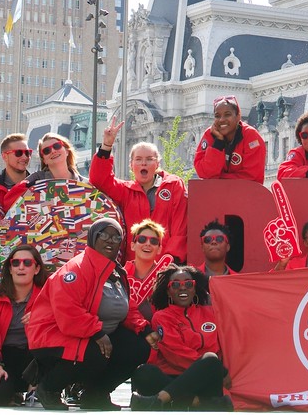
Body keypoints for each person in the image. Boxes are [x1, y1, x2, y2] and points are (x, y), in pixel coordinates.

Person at [25, 216, 151, 411]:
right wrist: (97, 332)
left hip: (90, 333)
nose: (110, 240)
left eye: (116, 237)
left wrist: (143, 329)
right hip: (53, 333)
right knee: (96, 352)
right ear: (93, 238)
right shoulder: (77, 268)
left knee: (137, 348)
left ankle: (95, 393)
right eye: (104, 235)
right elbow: (67, 310)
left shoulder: (117, 272)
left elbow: (127, 306)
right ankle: (49, 388)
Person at [131, 267, 229, 410]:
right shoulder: (161, 317)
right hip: (172, 377)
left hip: (206, 378)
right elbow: (175, 354)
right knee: (144, 372)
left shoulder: (212, 313)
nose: (182, 288)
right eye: (175, 285)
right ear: (168, 290)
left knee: (211, 359)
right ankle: (197, 402)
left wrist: (215, 368)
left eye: (188, 284)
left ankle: (159, 400)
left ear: (195, 288)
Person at [93, 117, 190, 261]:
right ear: (131, 165)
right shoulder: (126, 191)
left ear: (157, 163)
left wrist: (169, 261)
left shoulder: (173, 185)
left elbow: (180, 228)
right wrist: (106, 146)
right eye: (138, 159)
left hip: (166, 264)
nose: (143, 163)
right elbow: (99, 180)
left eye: (149, 159)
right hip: (134, 266)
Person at [0, 243, 48, 406]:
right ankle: (12, 393)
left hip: (32, 359)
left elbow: (64, 320)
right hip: (1, 358)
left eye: (27, 263)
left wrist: (43, 315)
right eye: (16, 263)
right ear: (10, 268)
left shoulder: (47, 294)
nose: (21, 267)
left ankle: (34, 389)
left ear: (36, 269)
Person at [191, 96, 267, 182]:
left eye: (227, 115)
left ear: (238, 116)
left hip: (246, 193)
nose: (222, 119)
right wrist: (218, 144)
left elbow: (252, 177)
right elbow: (204, 173)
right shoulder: (210, 134)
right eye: (217, 116)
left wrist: (218, 179)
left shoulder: (251, 136)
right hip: (216, 193)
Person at [125, 220, 172, 320]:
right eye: (142, 239)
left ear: (159, 249)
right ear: (132, 245)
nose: (148, 244)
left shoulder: (167, 278)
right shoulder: (121, 275)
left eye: (154, 241)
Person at [0, 134, 33, 211]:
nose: (24, 157)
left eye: (27, 153)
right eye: (18, 153)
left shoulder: (37, 186)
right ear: (4, 156)